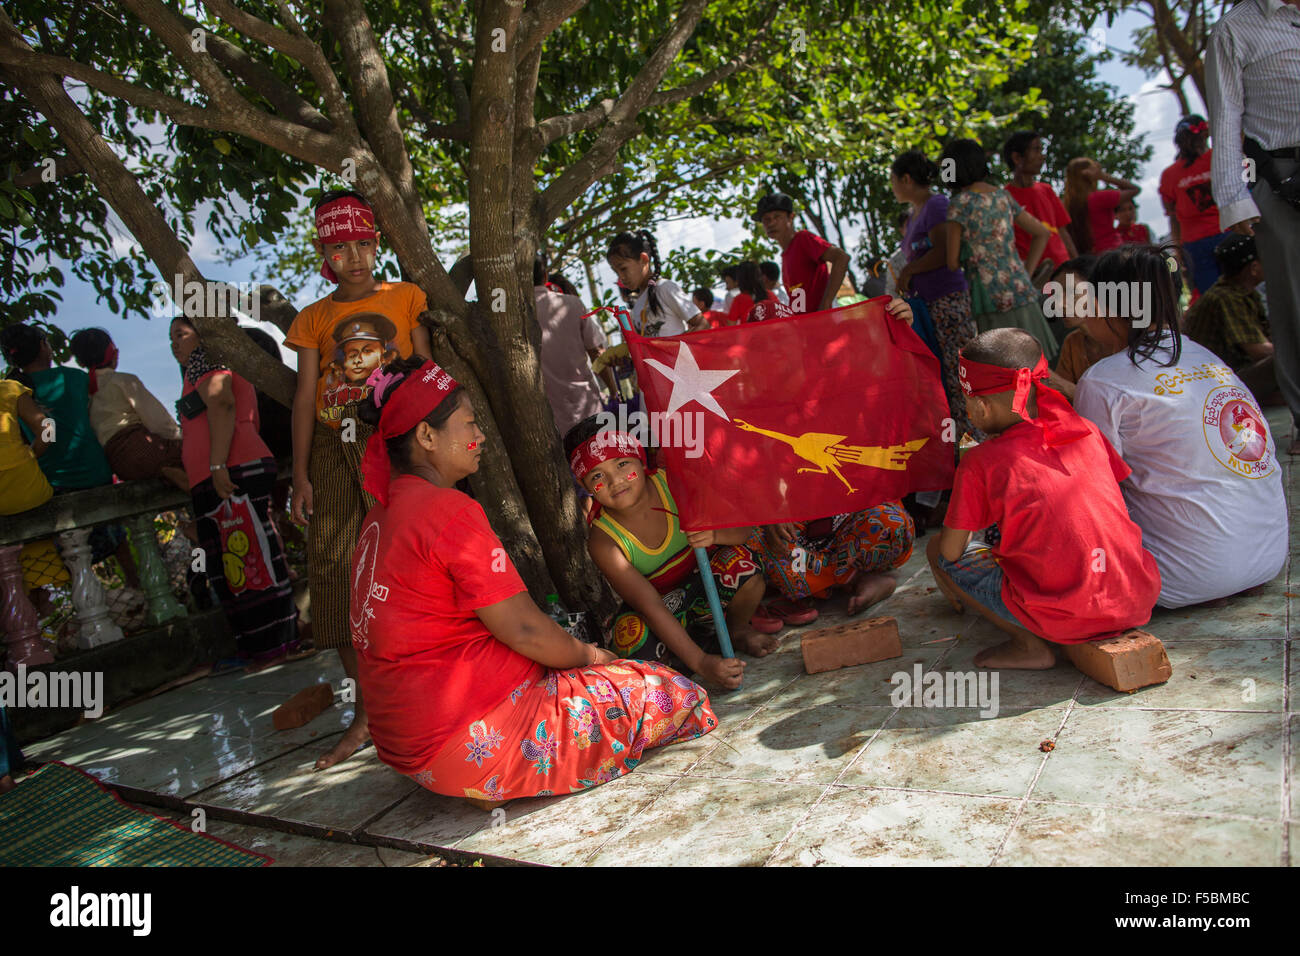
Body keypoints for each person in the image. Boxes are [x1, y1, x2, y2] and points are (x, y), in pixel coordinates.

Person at [350, 359, 717, 801]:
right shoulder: (447, 511)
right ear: (427, 436)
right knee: (673, 693)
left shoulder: (380, 515)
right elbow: (523, 628)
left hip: (408, 750)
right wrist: (592, 656)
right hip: (470, 746)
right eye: (468, 425)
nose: (479, 436)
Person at [284, 188, 433, 770]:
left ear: (377, 243)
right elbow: (302, 398)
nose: (354, 256)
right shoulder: (312, 319)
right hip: (332, 447)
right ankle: (368, 713)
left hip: (395, 436)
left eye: (363, 243)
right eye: (340, 246)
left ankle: (429, 685)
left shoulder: (408, 296)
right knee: (337, 570)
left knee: (411, 558)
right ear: (325, 253)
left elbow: (423, 370)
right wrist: (299, 473)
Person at [927, 327, 1162, 669]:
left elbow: (951, 550)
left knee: (938, 551)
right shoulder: (1086, 431)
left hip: (1067, 613)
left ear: (979, 406)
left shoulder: (981, 460)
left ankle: (1028, 644)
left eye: (965, 402)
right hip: (1136, 599)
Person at [1074, 245, 1287, 608]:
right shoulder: (1210, 360)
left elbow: (1096, 489)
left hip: (1179, 580)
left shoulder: (1104, 381)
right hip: (1267, 559)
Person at [566, 416, 773, 690]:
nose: (615, 481)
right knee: (632, 643)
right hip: (664, 608)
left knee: (743, 565)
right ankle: (691, 653)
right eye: (597, 476)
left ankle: (737, 630)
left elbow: (744, 533)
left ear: (640, 458)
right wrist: (702, 663)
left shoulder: (675, 485)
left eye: (622, 464)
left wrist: (713, 536)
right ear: (586, 486)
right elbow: (649, 605)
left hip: (706, 588)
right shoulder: (603, 541)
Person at [170, 315, 300, 665]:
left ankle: (277, 644)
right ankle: (258, 646)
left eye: (181, 335)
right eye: (172, 338)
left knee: (251, 563)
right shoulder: (194, 368)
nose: (174, 344)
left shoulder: (211, 356)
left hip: (233, 468)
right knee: (234, 567)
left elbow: (223, 404)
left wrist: (216, 466)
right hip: (218, 474)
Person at [1206, 0, 1300, 455]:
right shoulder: (1234, 29)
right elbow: (1226, 120)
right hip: (1281, 182)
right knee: (1293, 303)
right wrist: (1232, 195)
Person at [939, 139, 1059, 362]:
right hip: (1022, 290)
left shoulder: (960, 204)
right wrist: (1027, 272)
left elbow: (952, 261)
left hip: (988, 297)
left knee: (1007, 370)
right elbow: (1042, 233)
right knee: (1042, 367)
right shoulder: (1003, 196)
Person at [891, 149, 978, 441]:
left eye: (893, 180)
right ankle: (959, 449)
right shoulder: (916, 214)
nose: (892, 187)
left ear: (906, 178)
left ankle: (973, 445)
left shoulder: (937, 204)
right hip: (928, 306)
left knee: (960, 376)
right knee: (944, 378)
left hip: (949, 301)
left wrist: (909, 271)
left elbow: (944, 252)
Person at [747, 505, 916, 626]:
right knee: (754, 536)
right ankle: (854, 579)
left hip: (846, 531)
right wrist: (769, 510)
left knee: (891, 522)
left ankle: (842, 579)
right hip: (797, 539)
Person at [68, 327, 187, 489]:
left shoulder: (84, 392)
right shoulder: (124, 381)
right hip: (141, 445)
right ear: (114, 354)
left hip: (118, 462)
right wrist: (179, 437)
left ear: (80, 362)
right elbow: (158, 421)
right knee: (192, 450)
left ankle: (167, 470)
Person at [1183, 234, 1278, 404]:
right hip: (1214, 385)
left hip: (1227, 377)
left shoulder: (1244, 293)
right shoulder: (1226, 297)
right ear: (1254, 267)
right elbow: (1258, 350)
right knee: (1283, 360)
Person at [533, 256, 606, 435]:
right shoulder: (573, 304)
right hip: (588, 407)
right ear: (545, 276)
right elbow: (597, 352)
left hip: (548, 419)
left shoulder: (512, 315)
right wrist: (612, 390)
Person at [1159, 115, 1231, 295]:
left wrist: (1178, 248)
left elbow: (1172, 217)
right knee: (1241, 292)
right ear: (1205, 132)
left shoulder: (1169, 175)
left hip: (1194, 244)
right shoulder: (1220, 157)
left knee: (1212, 298)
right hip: (1228, 234)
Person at [753, 192, 851, 314]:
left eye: (777, 217)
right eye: (766, 220)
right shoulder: (785, 256)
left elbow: (841, 257)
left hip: (824, 322)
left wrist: (826, 304)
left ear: (791, 217)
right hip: (806, 326)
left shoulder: (803, 239)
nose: (771, 223)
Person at [1002, 131, 1079, 284]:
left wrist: (1078, 266)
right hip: (1034, 278)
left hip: (1064, 270)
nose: (1042, 156)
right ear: (1017, 158)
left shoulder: (1047, 190)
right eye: (1036, 150)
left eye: (1041, 150)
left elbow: (1063, 233)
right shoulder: (1004, 198)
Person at [606, 231, 707, 336]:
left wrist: (675, 346)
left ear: (643, 259)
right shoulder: (637, 305)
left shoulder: (665, 288)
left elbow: (702, 324)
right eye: (616, 272)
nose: (621, 277)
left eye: (623, 269)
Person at [1045, 256, 1114, 403]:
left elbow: (1120, 404)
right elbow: (1060, 401)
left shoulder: (1125, 340)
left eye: (1071, 293)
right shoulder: (1073, 342)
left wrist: (1065, 387)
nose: (1060, 304)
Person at [1062, 157, 1141, 255]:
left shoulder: (1067, 205)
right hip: (1112, 252)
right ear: (1087, 174)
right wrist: (1103, 176)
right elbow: (1134, 189)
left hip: (1089, 255)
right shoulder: (1098, 198)